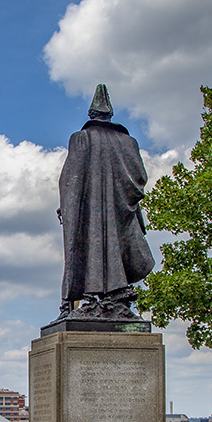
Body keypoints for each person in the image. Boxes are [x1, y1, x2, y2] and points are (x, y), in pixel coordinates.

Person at [55, 84, 155, 321]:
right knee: (112, 247)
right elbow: (138, 179)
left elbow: (70, 181)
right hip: (119, 213)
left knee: (90, 247)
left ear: (92, 115)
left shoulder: (82, 139)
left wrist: (68, 208)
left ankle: (92, 297)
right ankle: (113, 296)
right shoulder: (128, 143)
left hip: (89, 214)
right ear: (109, 116)